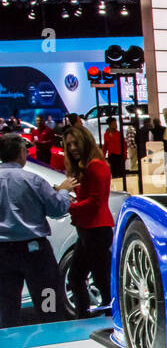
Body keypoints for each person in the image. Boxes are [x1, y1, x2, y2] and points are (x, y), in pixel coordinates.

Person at [0, 132, 71, 327]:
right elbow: (57, 210)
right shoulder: (34, 180)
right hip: (35, 253)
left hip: (3, 253)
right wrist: (63, 190)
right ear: (22, 152)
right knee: (48, 302)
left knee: (7, 307)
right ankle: (52, 339)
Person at [60, 125, 114, 317]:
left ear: (85, 141)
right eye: (69, 145)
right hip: (88, 229)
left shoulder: (95, 166)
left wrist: (69, 205)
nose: (73, 148)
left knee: (102, 280)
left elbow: (95, 201)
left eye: (75, 143)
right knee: (78, 277)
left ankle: (110, 320)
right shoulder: (88, 166)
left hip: (96, 229)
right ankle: (85, 317)